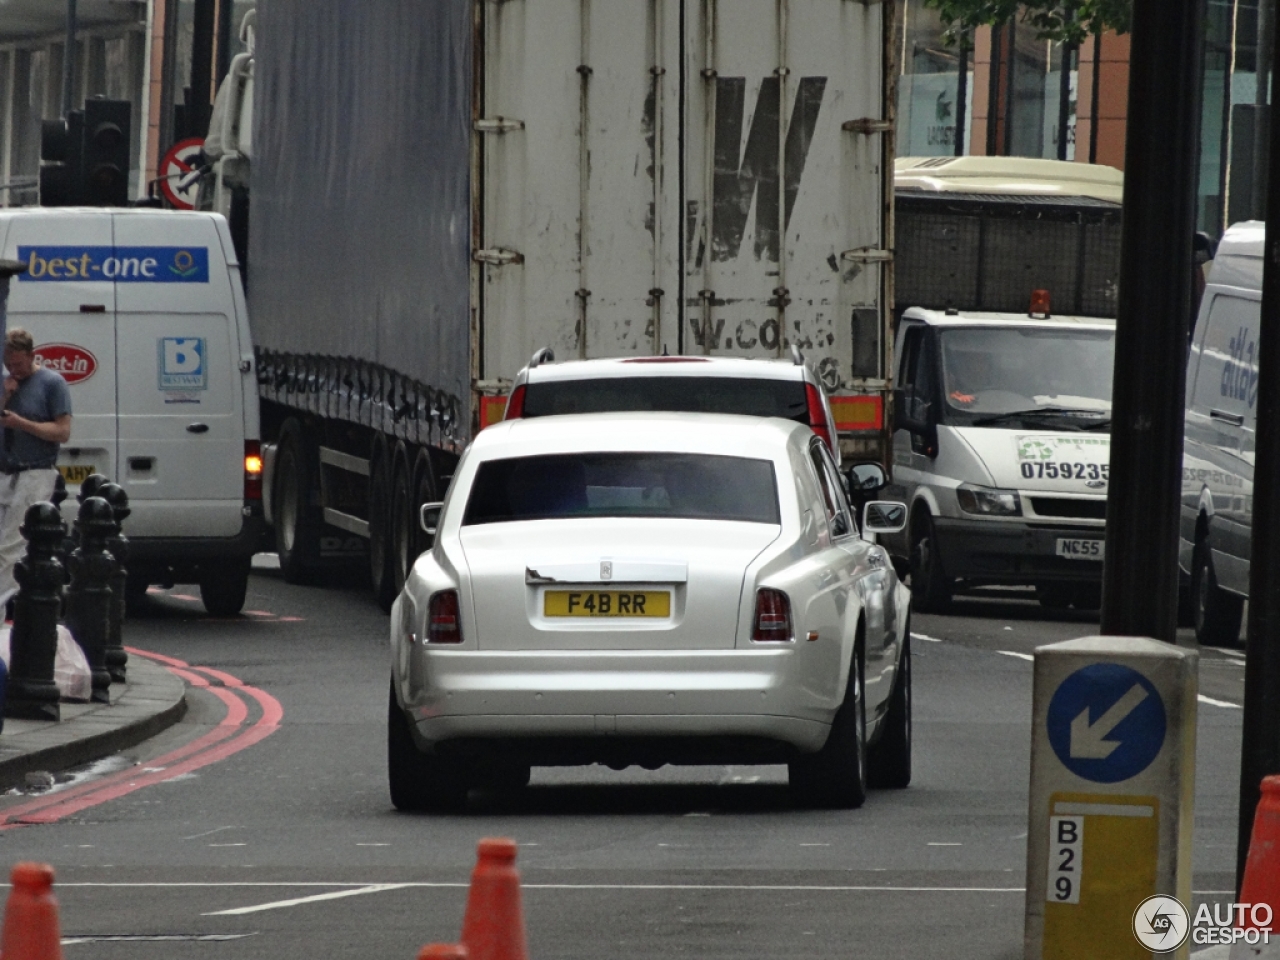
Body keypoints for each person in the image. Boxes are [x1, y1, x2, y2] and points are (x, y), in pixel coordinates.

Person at [0, 329, 72, 608]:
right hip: (6, 470)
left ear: (32, 355)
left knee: (10, 548)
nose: (13, 369)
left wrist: (22, 424)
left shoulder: (52, 384)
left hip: (35, 471)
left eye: (18, 364)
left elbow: (63, 431)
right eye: (8, 364)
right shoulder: (6, 382)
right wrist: (5, 397)